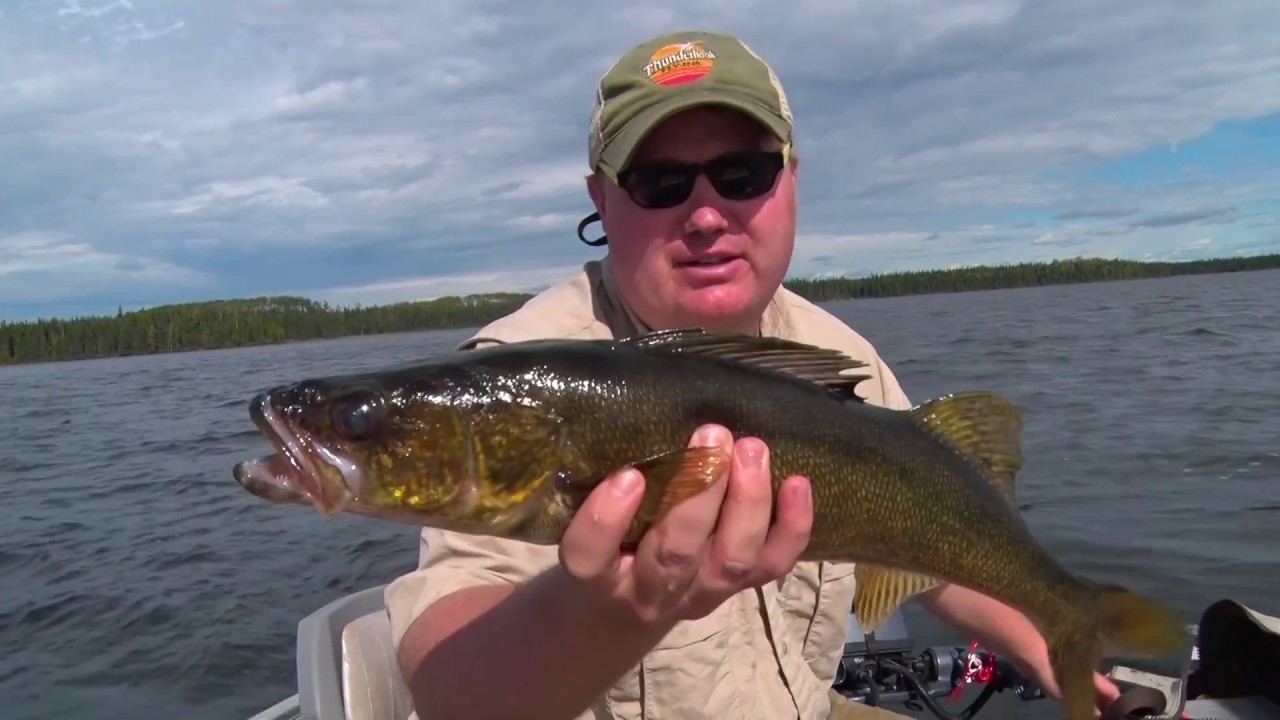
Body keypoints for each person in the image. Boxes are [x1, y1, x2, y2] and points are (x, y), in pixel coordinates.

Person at [384, 29, 1122, 720]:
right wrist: (609, 611)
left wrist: (1051, 634)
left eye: (743, 174)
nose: (706, 216)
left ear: (791, 181)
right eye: (660, 182)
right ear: (601, 200)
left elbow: (932, 536)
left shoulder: (838, 357)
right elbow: (452, 682)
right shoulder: (515, 384)